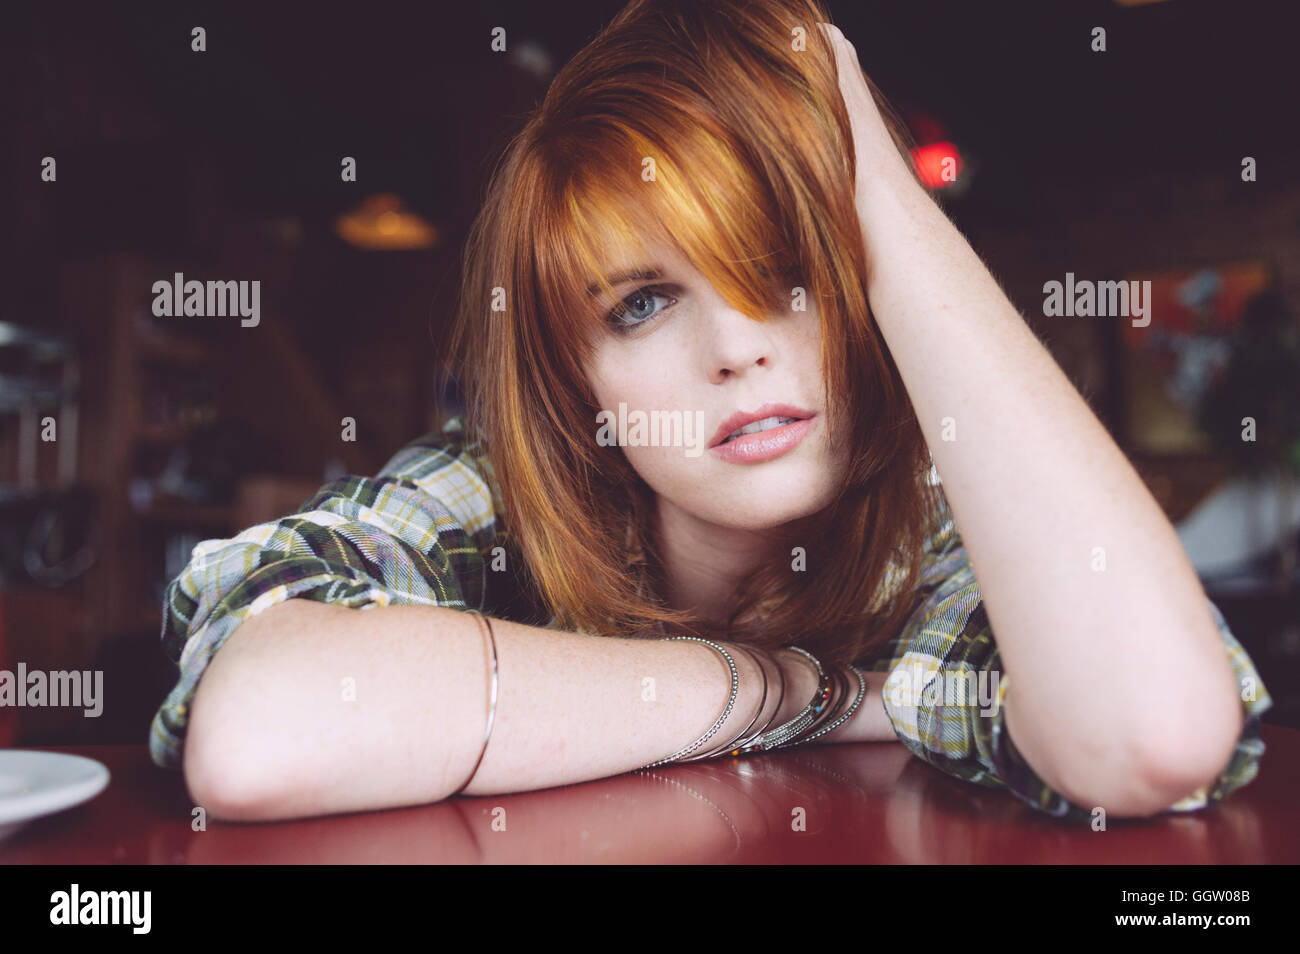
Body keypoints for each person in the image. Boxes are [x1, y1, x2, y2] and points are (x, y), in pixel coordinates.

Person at [149, 0, 1271, 824]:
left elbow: (1150, 738)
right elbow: (264, 735)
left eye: (790, 269)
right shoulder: (488, 492)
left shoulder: (939, 520)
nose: (736, 349)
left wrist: (871, 180)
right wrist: (801, 691)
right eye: (641, 303)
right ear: (573, 377)